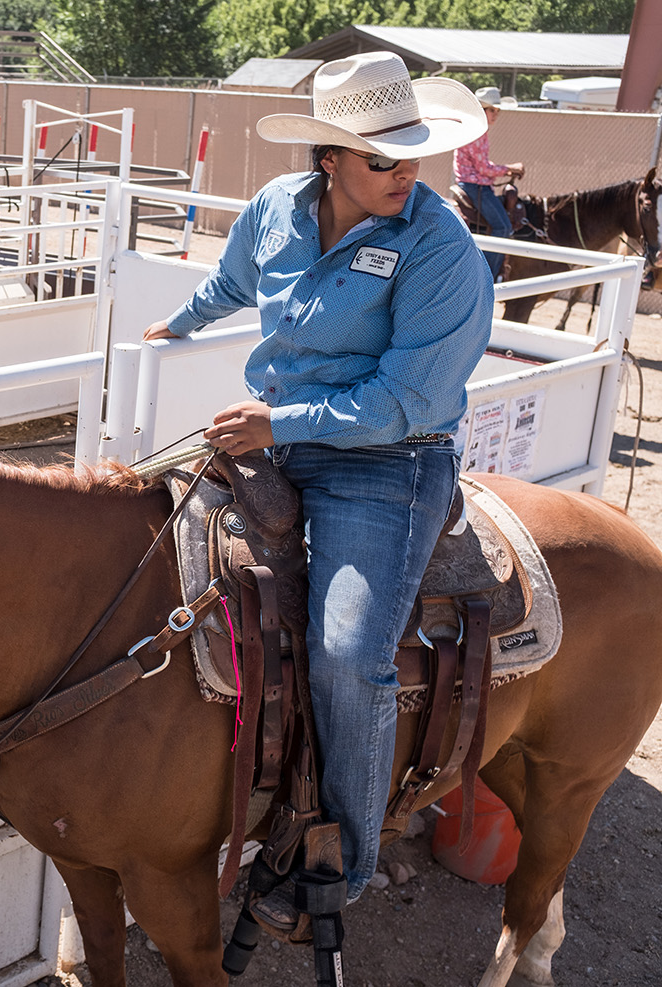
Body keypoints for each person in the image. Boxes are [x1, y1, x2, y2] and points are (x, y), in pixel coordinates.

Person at [144, 52, 494, 926]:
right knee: (148, 547)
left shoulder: (440, 247)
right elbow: (232, 280)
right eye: (382, 156)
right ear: (328, 158)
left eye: (414, 151)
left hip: (389, 459)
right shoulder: (273, 211)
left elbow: (405, 399)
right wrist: (179, 323)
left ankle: (350, 855)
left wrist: (279, 424)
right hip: (280, 428)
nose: (406, 170)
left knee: (346, 650)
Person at [456, 87, 526, 280]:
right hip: (475, 186)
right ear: (482, 111)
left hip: (473, 183)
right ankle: (487, 276)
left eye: (497, 110)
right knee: (502, 227)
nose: (495, 114)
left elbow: (483, 166)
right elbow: (484, 169)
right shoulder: (477, 132)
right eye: (491, 110)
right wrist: (509, 168)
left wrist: (506, 169)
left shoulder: (477, 130)